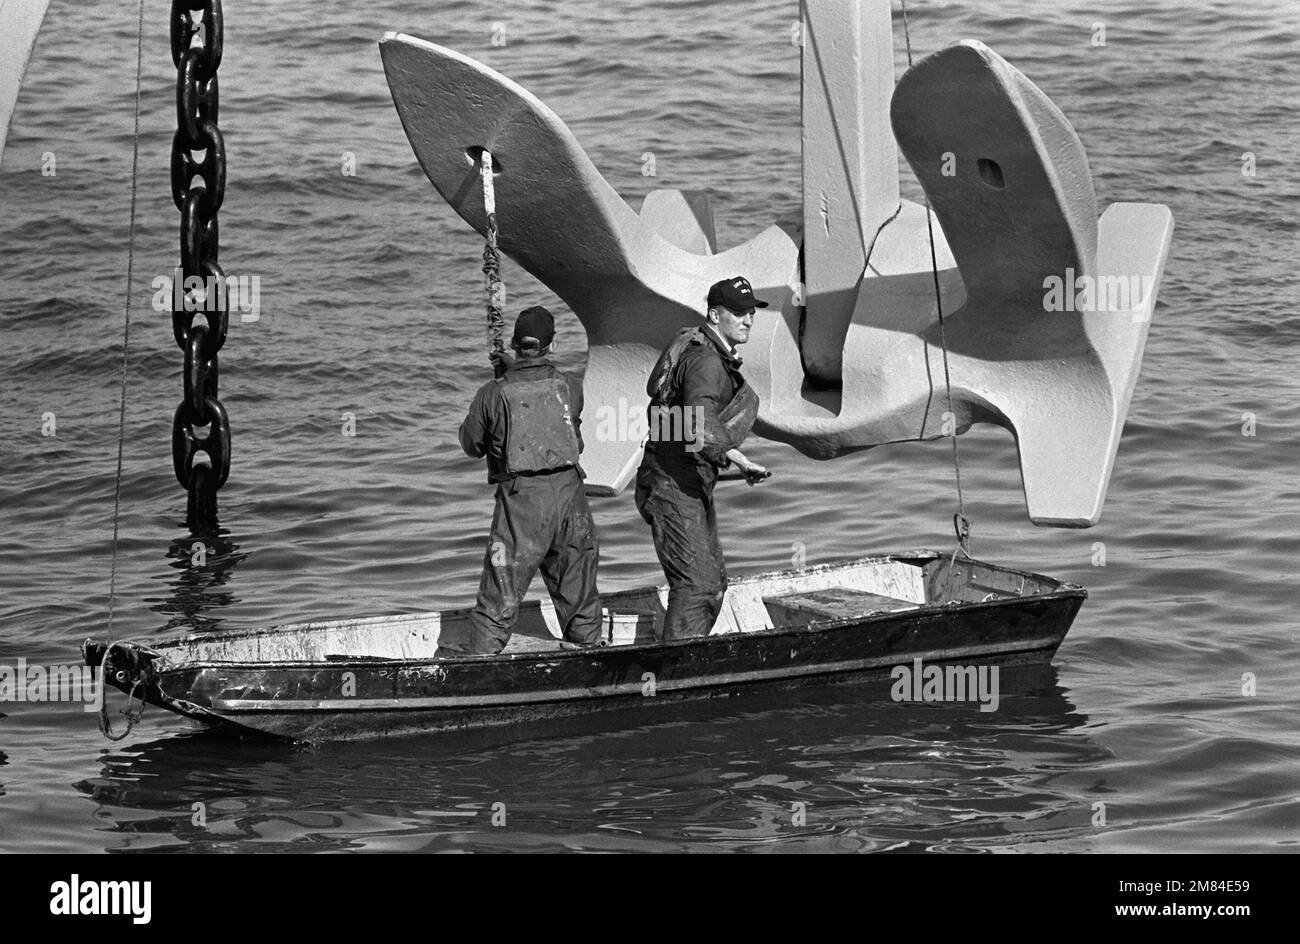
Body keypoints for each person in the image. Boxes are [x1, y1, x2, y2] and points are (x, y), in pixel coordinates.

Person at [447, 305, 603, 656]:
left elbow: (471, 444)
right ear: (554, 346)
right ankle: (590, 658)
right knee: (578, 590)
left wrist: (502, 380)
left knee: (501, 592)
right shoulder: (570, 386)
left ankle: (480, 668)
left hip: (523, 504)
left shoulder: (492, 393)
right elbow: (572, 440)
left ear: (516, 344)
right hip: (570, 496)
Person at [635, 276, 770, 641]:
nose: (748, 320)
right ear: (714, 315)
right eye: (738, 312)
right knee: (698, 586)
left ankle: (681, 660)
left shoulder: (701, 349)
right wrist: (737, 459)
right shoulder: (705, 362)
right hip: (671, 483)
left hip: (679, 478)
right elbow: (698, 419)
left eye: (751, 312)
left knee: (712, 583)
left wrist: (727, 458)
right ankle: (674, 673)